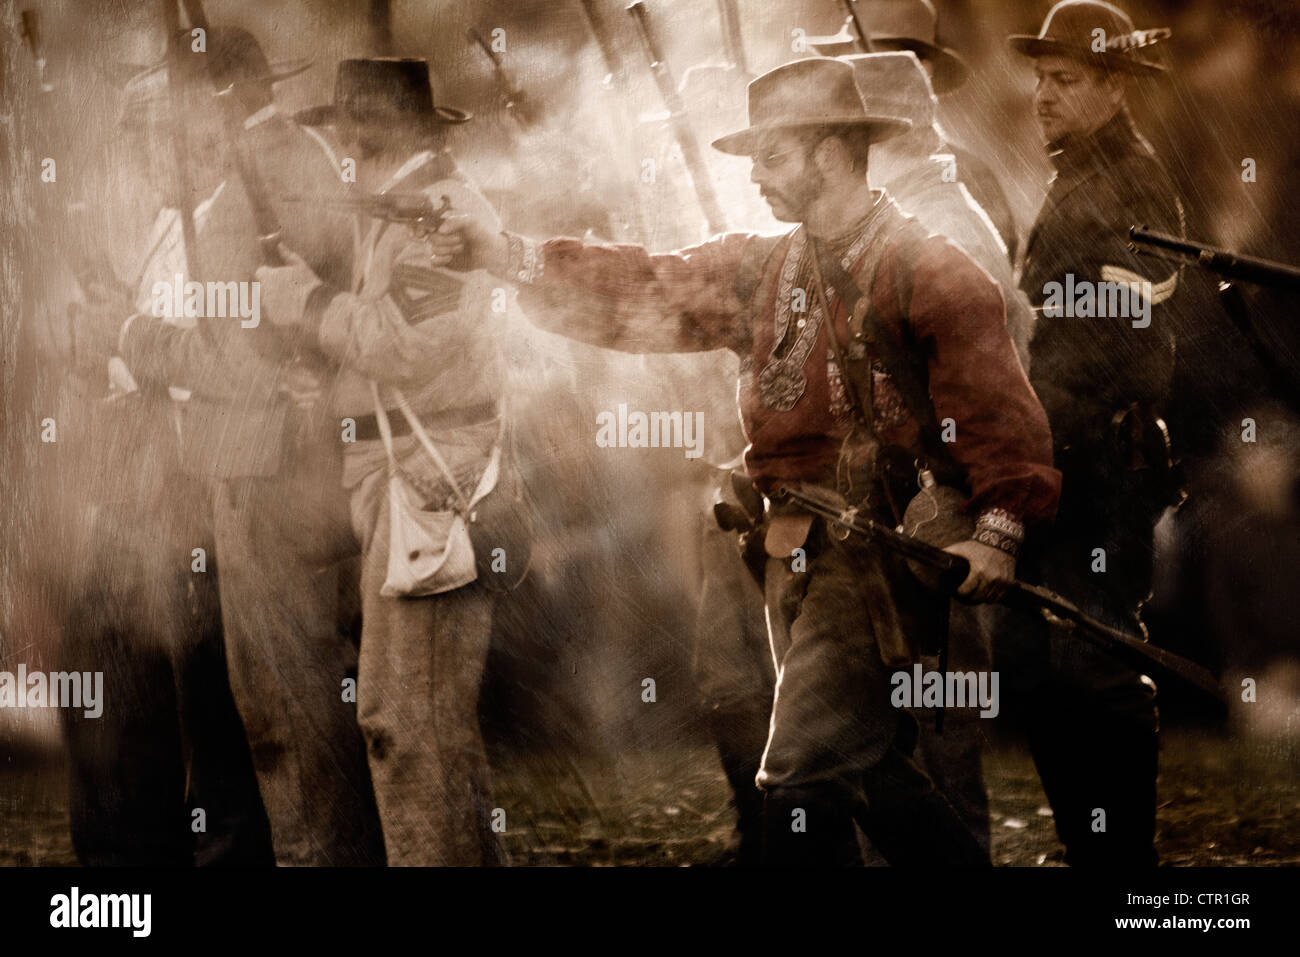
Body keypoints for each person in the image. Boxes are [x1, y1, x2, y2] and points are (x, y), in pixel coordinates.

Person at [428, 57, 1060, 866]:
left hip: (878, 556)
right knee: (865, 769)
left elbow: (999, 411)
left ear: (829, 153)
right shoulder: (761, 268)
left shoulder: (929, 270)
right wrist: (506, 253)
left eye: (772, 156)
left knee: (796, 775)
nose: (755, 176)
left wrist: (999, 531)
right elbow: (645, 286)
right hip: (784, 549)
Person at [86, 27, 385, 866]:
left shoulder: (271, 169)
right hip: (253, 458)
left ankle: (326, 853)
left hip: (269, 461)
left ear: (212, 102)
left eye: (178, 106)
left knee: (290, 704)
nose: (167, 136)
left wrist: (135, 335)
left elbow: (247, 354)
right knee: (274, 701)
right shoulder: (267, 165)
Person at [256, 57, 510, 866]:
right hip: (394, 472)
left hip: (430, 475)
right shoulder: (396, 210)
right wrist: (324, 381)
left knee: (406, 723)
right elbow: (384, 345)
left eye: (346, 130)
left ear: (376, 131)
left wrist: (307, 302)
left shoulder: (443, 213)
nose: (338, 147)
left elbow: (404, 344)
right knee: (429, 726)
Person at [1004, 0, 1184, 866]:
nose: (1042, 95)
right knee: (1041, 667)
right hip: (1059, 452)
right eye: (1040, 78)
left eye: (1064, 79)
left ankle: (1128, 874)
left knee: (1096, 663)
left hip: (1104, 461)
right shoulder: (1076, 171)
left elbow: (1132, 319)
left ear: (1114, 85)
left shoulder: (1136, 178)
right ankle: (1095, 854)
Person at [811, 0, 1021, 262]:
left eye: (866, 63)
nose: (847, 84)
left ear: (922, 70)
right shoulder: (836, 172)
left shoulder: (966, 177)